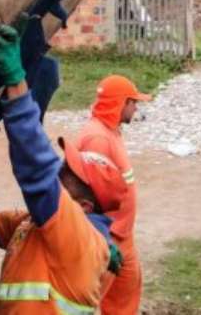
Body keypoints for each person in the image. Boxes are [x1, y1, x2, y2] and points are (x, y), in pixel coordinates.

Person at [0, 25, 126, 314]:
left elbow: (38, 171)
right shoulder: (34, 224)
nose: (60, 168)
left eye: (68, 173)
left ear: (83, 206)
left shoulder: (81, 241)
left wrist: (17, 85)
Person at [72, 75, 150, 314]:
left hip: (122, 235)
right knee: (86, 303)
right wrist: (103, 242)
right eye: (133, 102)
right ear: (121, 103)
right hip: (107, 238)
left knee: (127, 294)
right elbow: (90, 198)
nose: (136, 107)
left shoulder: (110, 132)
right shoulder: (97, 139)